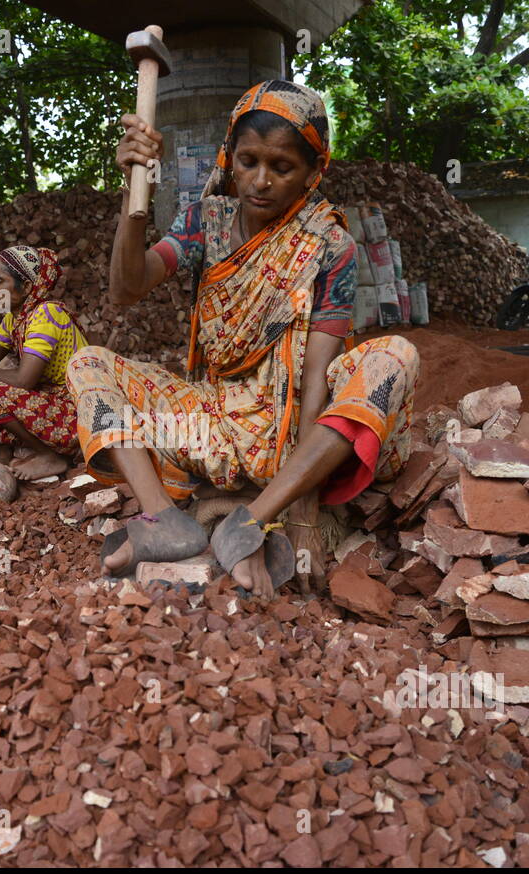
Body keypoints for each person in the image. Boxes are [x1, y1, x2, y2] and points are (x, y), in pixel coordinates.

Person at [67, 80, 419, 598]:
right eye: (248, 160)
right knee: (88, 363)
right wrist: (132, 194)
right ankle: (163, 518)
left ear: (314, 172)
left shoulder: (329, 245)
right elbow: (126, 287)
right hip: (211, 420)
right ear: (227, 156)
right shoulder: (202, 224)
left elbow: (319, 367)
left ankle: (252, 518)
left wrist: (302, 506)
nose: (260, 181)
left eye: (282, 167)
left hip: (292, 433)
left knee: (396, 356)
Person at [0, 246, 88, 480]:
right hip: (53, 405)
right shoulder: (17, 317)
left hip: (76, 414)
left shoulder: (45, 314)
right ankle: (5, 454)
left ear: (28, 287)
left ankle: (50, 457)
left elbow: (24, 379)